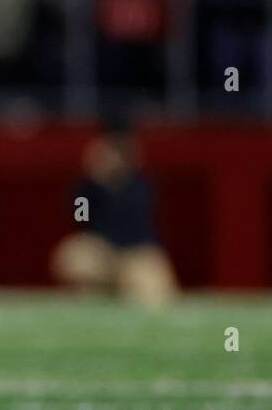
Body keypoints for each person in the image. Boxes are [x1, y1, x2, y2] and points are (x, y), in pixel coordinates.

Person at [51, 126, 178, 306]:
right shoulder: (87, 188)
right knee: (77, 257)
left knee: (156, 296)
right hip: (102, 252)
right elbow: (80, 220)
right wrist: (92, 186)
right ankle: (91, 299)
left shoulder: (140, 186)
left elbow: (137, 224)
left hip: (135, 253)